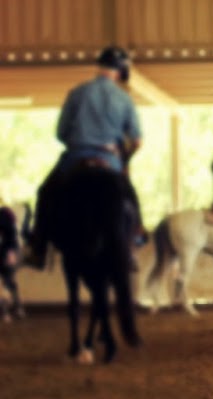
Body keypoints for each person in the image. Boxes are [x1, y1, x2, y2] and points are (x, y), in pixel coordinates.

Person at [25, 46, 145, 268]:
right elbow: (137, 140)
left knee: (45, 192)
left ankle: (38, 248)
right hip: (109, 160)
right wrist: (124, 159)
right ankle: (132, 246)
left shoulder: (77, 92)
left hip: (75, 158)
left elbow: (60, 133)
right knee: (130, 198)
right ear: (120, 71)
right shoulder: (124, 98)